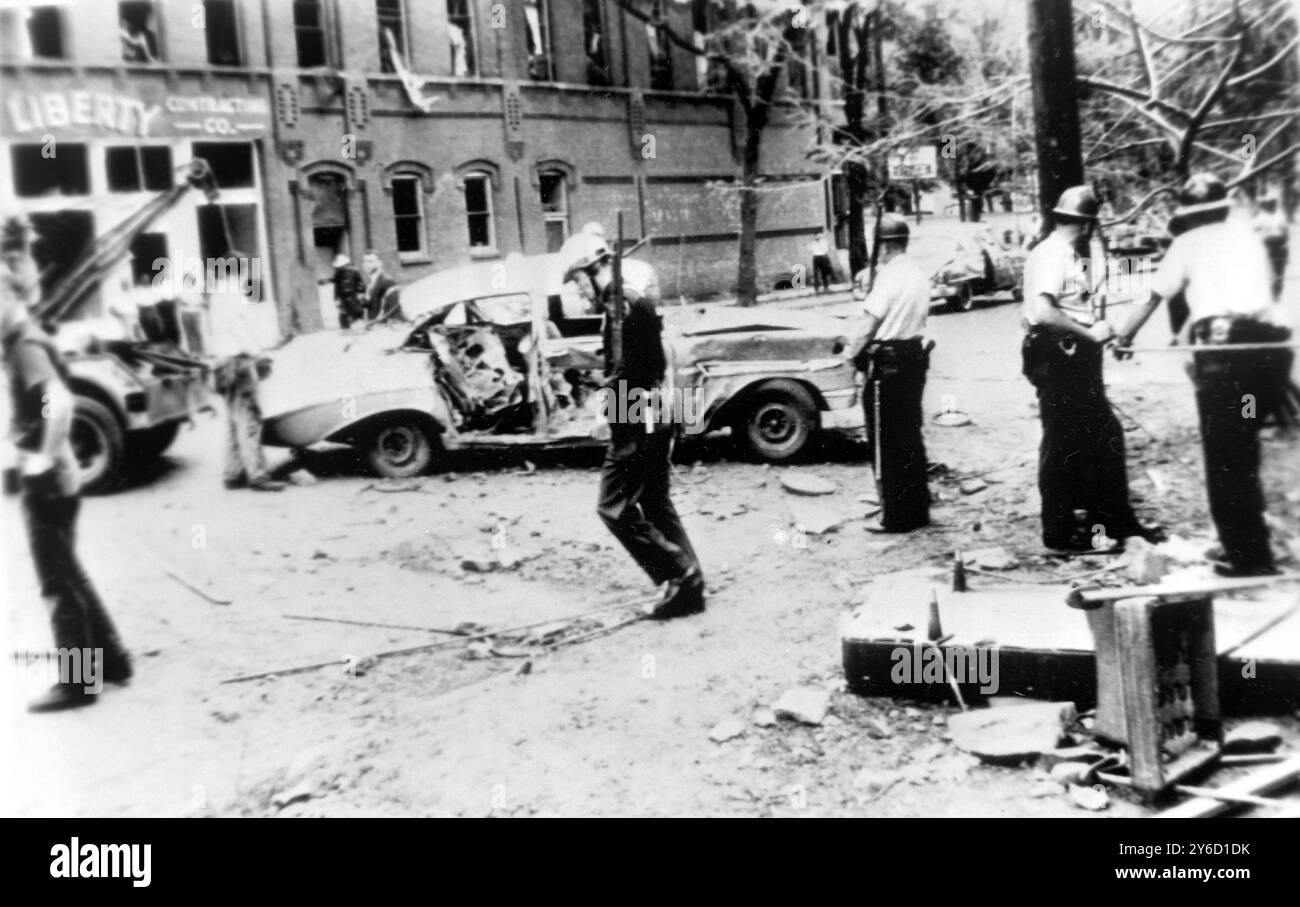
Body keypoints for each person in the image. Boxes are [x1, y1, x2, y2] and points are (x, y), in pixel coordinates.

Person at [1115, 173, 1288, 577]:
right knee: (1242, 449)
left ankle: (1248, 558)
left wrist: (1124, 334)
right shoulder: (1246, 236)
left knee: (1225, 456)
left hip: (1227, 358)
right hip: (1265, 354)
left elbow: (1154, 295)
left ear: (1190, 216)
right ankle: (1247, 544)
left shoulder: (1189, 242)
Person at [2, 220, 132, 712]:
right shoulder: (26, 337)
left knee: (55, 582)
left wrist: (37, 457)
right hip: (64, 478)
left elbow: (59, 403)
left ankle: (79, 684)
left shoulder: (23, 347)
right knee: (70, 571)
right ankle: (114, 661)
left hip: (49, 481)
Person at [558, 231, 704, 619]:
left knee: (613, 507)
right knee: (655, 501)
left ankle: (679, 575)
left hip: (635, 416)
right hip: (654, 412)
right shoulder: (623, 300)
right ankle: (691, 585)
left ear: (592, 270)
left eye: (576, 279)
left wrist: (602, 407)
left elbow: (628, 372)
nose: (578, 290)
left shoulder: (620, 302)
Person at [1020, 185, 1160, 554]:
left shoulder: (1061, 253)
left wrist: (1096, 334)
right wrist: (1090, 333)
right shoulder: (1053, 255)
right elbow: (1042, 312)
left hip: (1072, 355)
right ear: (1087, 225)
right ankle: (1061, 534)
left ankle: (1114, 523)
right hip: (1060, 356)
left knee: (1101, 439)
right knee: (1063, 443)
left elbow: (1067, 307)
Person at [846, 214, 933, 533]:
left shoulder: (889, 277)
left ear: (884, 245)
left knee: (885, 441)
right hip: (913, 358)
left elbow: (868, 324)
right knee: (910, 434)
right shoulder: (918, 275)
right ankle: (917, 508)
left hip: (888, 364)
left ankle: (895, 515)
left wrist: (850, 354)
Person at [214, 352, 284, 492]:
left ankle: (232, 474)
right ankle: (258, 477)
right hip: (241, 364)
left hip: (224, 363)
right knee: (249, 426)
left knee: (235, 426)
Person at [1252, 196, 1289, 300]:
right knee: (1271, 271)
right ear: (1267, 205)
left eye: (1274, 203)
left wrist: (1286, 244)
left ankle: (1277, 293)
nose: (1273, 205)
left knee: (1280, 272)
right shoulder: (1262, 216)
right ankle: (1273, 293)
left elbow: (1285, 229)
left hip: (1281, 246)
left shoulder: (1280, 214)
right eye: (1271, 203)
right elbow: (1253, 228)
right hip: (1269, 245)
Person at [361, 249, 402, 323]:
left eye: (370, 261)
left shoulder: (387, 282)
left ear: (379, 263)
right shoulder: (371, 281)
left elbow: (391, 310)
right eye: (364, 261)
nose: (366, 264)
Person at [331, 253, 366, 328]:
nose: (341, 267)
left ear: (346, 264)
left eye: (342, 265)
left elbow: (361, 283)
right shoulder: (338, 274)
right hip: (343, 299)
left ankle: (359, 328)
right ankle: (345, 328)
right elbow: (336, 287)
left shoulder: (354, 272)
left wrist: (360, 294)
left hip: (354, 297)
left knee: (357, 314)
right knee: (343, 315)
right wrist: (336, 299)